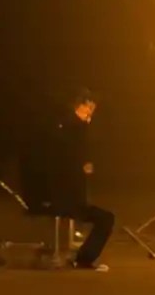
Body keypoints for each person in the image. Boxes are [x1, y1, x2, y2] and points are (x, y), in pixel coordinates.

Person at [44, 88, 114, 271]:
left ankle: (80, 255)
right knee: (106, 219)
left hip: (59, 194)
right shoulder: (76, 128)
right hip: (67, 198)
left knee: (97, 215)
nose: (91, 113)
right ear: (83, 105)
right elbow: (76, 158)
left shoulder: (61, 126)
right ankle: (85, 258)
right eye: (90, 108)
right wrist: (83, 166)